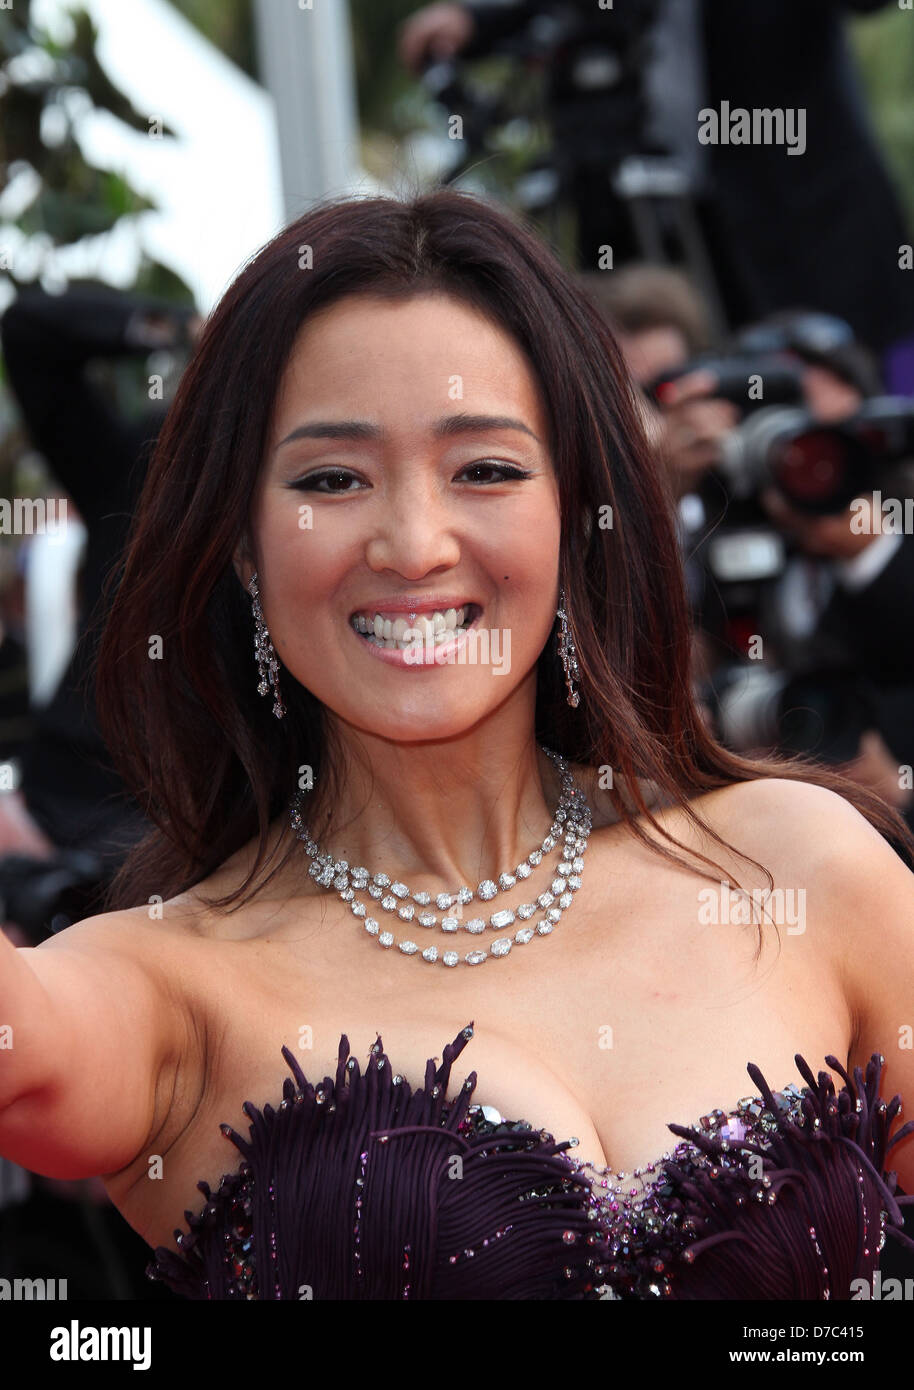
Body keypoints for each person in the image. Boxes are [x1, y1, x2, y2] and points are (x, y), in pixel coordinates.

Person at [2, 188, 914, 1302]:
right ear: (242, 546)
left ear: (576, 512)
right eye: (330, 479)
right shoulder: (165, 988)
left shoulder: (794, 866)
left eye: (483, 469)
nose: (413, 543)